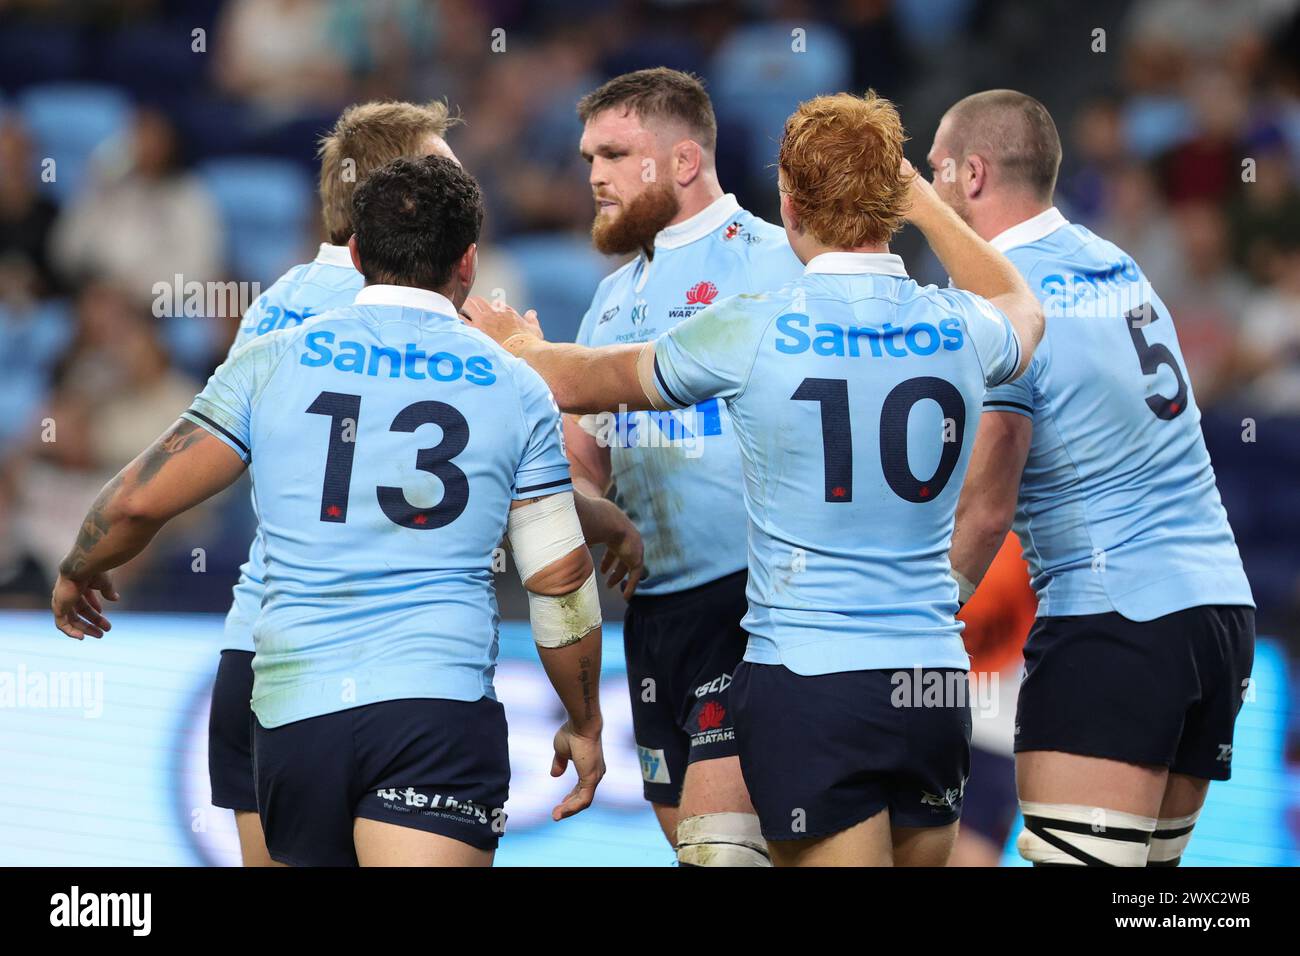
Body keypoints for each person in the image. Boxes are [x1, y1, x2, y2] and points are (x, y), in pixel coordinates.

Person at [461, 91, 1044, 866]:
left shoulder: (756, 324)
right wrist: (930, 209)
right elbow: (1020, 302)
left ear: (789, 203)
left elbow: (589, 380)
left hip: (811, 675)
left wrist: (520, 347)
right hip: (932, 680)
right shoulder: (959, 323)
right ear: (893, 201)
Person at [52, 155, 606, 867]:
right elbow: (559, 579)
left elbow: (134, 501)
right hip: (435, 706)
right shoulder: (517, 387)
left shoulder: (273, 358)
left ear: (353, 253)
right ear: (468, 264)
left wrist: (79, 565)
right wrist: (585, 720)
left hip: (296, 714)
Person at [208, 101, 641, 866]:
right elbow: (469, 488)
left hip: (263, 656)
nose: (462, 189)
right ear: (396, 196)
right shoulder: (444, 323)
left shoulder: (272, 312)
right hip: (415, 680)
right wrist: (594, 516)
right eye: (443, 172)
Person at [929, 89, 1256, 866]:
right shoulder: (1116, 260)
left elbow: (985, 509)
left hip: (1116, 618)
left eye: (935, 174)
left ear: (971, 174)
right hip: (1218, 613)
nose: (929, 194)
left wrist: (910, 628)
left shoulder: (1000, 298)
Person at [561, 67, 804, 865]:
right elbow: (583, 458)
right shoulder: (607, 301)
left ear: (685, 162)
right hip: (656, 614)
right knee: (694, 846)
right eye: (589, 156)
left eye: (616, 153)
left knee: (722, 848)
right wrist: (594, 507)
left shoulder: (777, 263)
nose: (595, 174)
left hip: (756, 600)